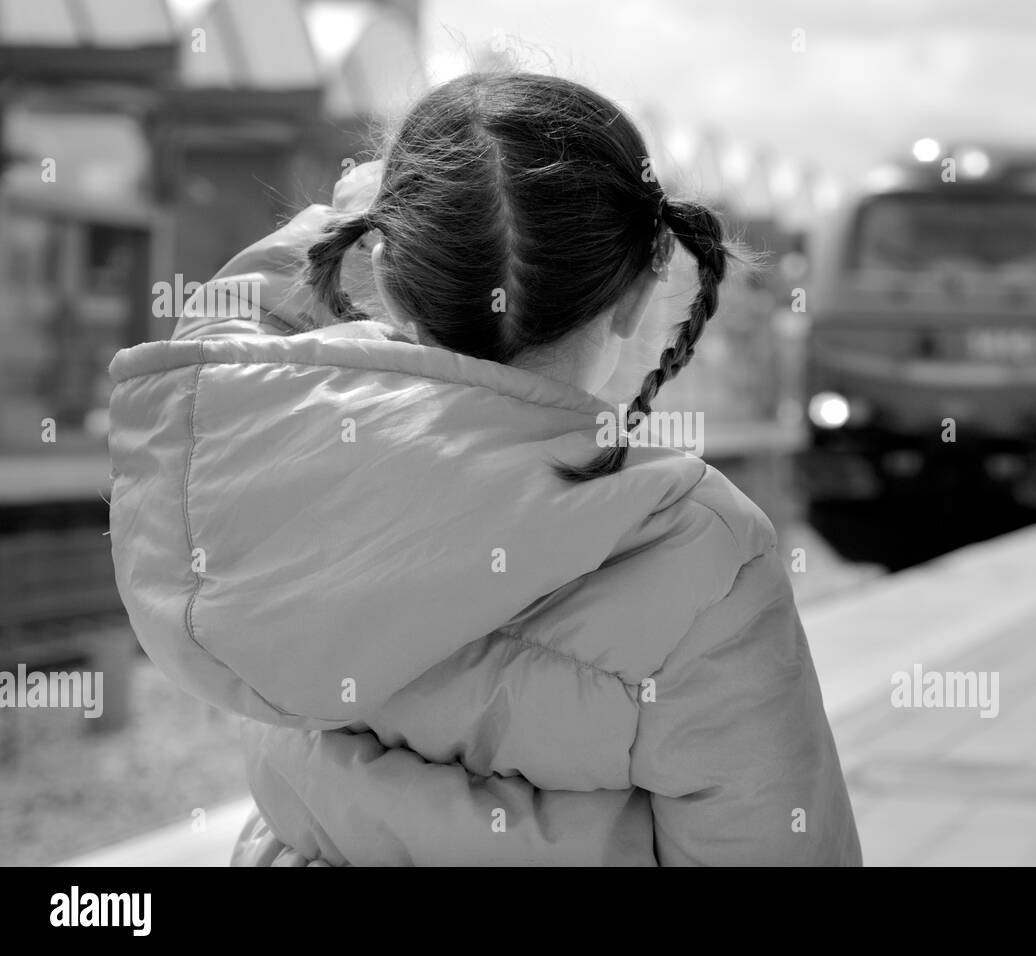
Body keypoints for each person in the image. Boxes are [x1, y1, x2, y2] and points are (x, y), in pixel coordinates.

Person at [107, 72, 861, 866]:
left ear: (385, 274)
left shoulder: (246, 454)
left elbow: (226, 333)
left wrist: (342, 216)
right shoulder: (702, 551)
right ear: (640, 297)